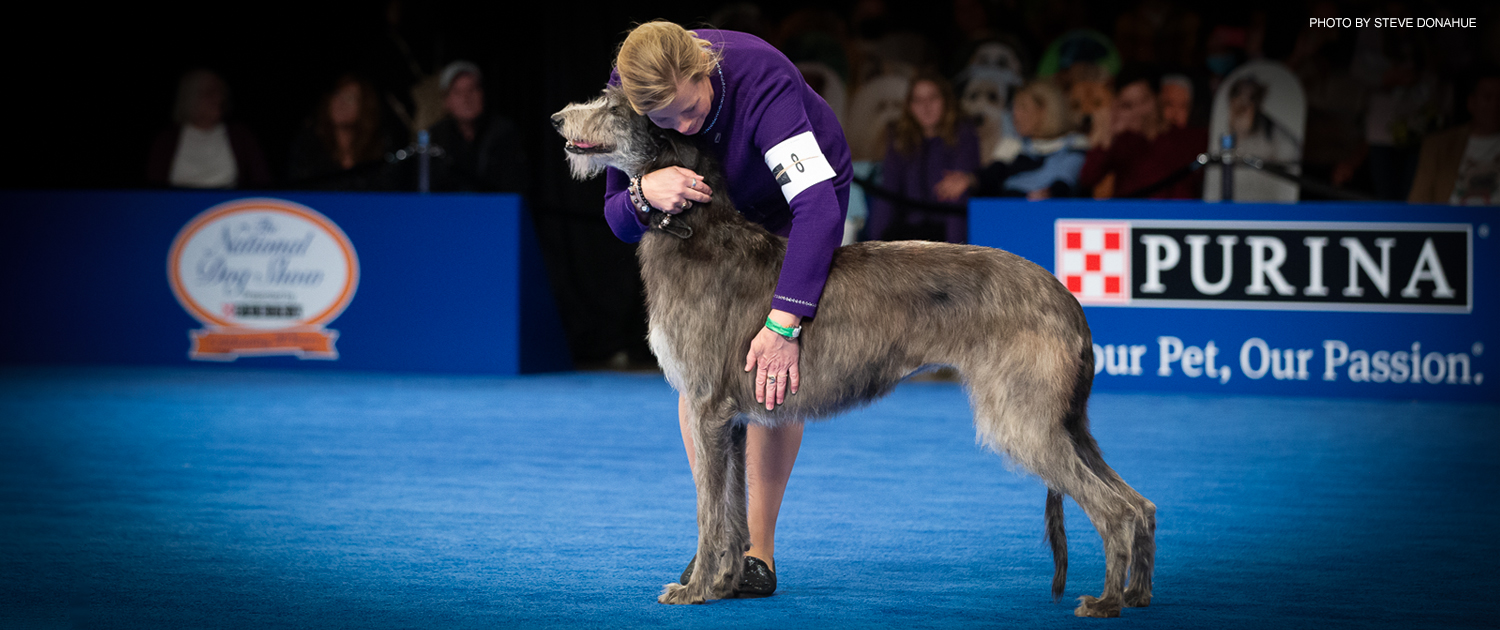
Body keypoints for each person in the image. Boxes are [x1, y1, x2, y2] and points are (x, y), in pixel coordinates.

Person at [604, 21, 852, 596]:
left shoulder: (760, 78)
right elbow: (617, 217)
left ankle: (756, 551)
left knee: (771, 372)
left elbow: (817, 210)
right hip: (704, 202)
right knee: (704, 371)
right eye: (666, 121)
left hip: (793, 208)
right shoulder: (631, 88)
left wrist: (784, 322)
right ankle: (718, 540)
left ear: (703, 72)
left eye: (691, 110)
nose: (685, 127)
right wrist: (645, 192)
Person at [866, 72, 980, 243]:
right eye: (918, 100)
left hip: (946, 239)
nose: (926, 107)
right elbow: (887, 194)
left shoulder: (963, 135)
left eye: (933, 98)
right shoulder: (900, 139)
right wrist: (873, 247)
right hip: (906, 237)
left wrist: (956, 255)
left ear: (946, 101)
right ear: (909, 106)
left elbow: (957, 196)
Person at [1078, 66, 1206, 199]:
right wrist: (1108, 136)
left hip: (1178, 217)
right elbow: (1088, 179)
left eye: (1144, 101)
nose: (1138, 111)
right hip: (1131, 216)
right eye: (1128, 105)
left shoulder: (1191, 138)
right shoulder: (1121, 142)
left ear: (1158, 98)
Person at [146, 69, 271, 189]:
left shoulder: (240, 136)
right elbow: (152, 188)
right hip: (178, 206)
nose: (218, 98)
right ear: (190, 97)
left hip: (226, 207)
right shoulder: (167, 139)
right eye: (209, 93)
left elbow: (261, 182)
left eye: (220, 92)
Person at [968, 80, 1088, 200]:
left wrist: (1047, 195)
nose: (1015, 114)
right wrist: (970, 180)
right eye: (1013, 107)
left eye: (1023, 107)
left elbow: (1064, 184)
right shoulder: (1013, 146)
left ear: (1045, 110)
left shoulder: (1074, 145)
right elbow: (990, 177)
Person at [426, 60, 527, 192]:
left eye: (472, 90)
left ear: (483, 94)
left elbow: (514, 186)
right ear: (446, 101)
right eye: (458, 92)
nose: (466, 99)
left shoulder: (504, 133)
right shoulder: (435, 136)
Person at [287, 74, 400, 190]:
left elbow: (388, 190)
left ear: (365, 106)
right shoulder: (310, 144)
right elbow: (298, 188)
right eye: (337, 94)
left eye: (350, 98)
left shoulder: (379, 147)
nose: (341, 103)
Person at [1409, 70, 1500, 205]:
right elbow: (1418, 201)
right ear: (1471, 102)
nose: (1495, 105)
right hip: (1453, 222)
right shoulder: (1440, 145)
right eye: (1487, 97)